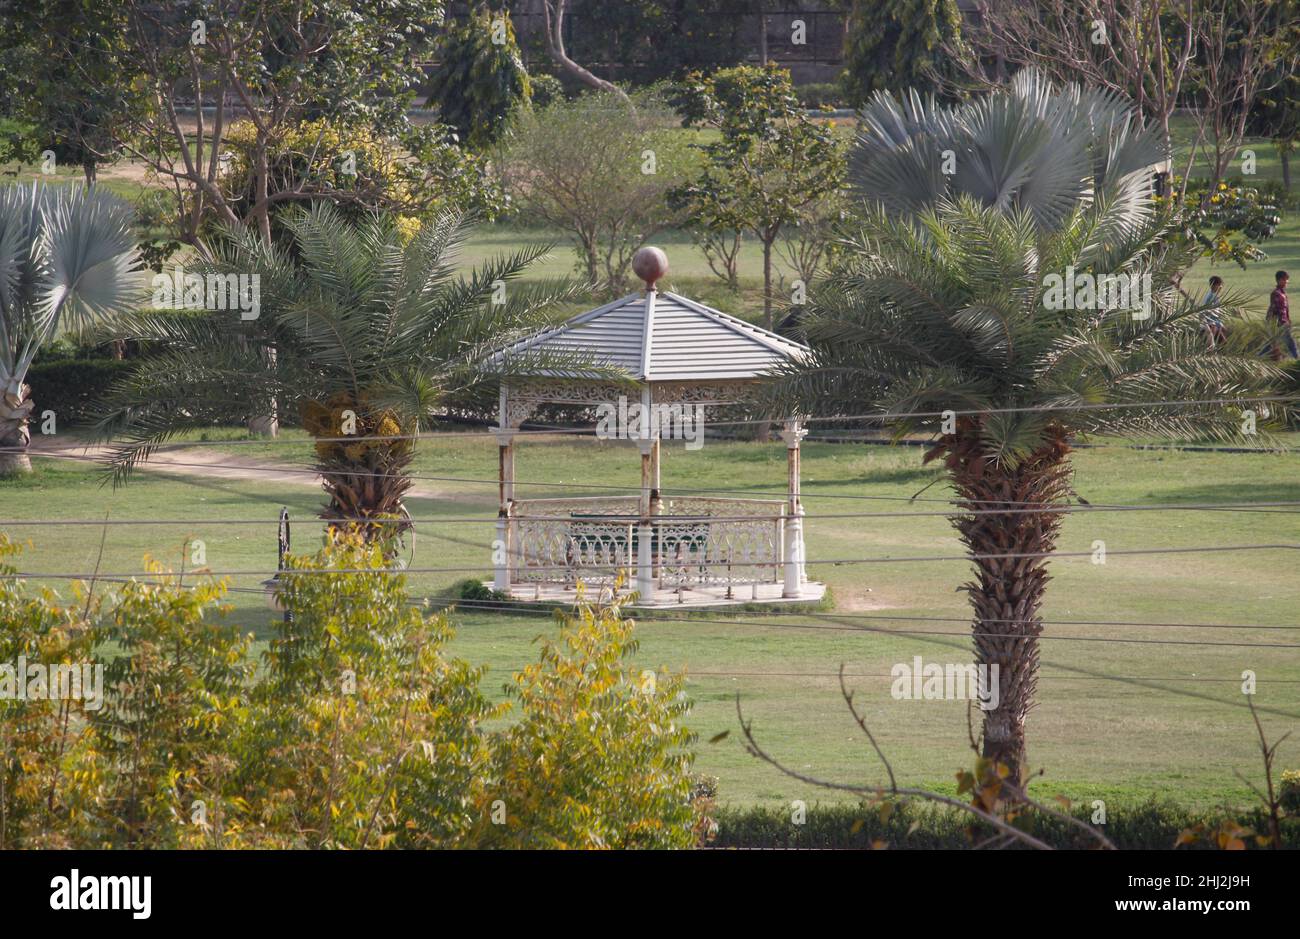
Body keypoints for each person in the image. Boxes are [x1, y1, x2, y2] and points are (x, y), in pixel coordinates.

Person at [1266, 270, 1295, 360]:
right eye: (1286, 279)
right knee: (1290, 343)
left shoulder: (1282, 293)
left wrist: (1288, 320)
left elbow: (1285, 310)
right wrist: (1281, 323)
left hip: (1282, 322)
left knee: (1271, 344)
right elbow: (1276, 310)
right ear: (1280, 280)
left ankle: (1258, 357)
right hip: (1279, 323)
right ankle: (1296, 359)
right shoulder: (1277, 294)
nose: (1287, 282)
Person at [1202, 275, 1227, 348]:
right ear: (1215, 285)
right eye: (1219, 285)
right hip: (1211, 323)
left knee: (1224, 332)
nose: (1221, 287)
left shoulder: (1213, 295)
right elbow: (1207, 310)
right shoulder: (1211, 296)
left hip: (1215, 322)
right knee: (1222, 342)